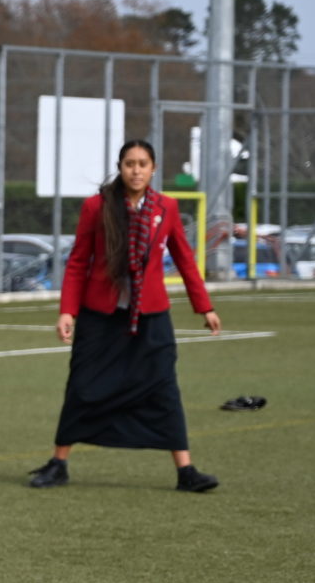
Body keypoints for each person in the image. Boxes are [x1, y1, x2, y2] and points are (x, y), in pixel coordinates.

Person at [28, 139, 222, 492]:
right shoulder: (96, 207)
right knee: (82, 387)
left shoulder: (167, 208)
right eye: (129, 163)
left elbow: (184, 259)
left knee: (164, 389)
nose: (136, 170)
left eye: (143, 164)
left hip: (150, 317)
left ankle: (186, 471)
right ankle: (58, 463)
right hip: (100, 315)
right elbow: (78, 262)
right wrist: (67, 312)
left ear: (153, 169)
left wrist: (204, 306)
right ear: (120, 167)